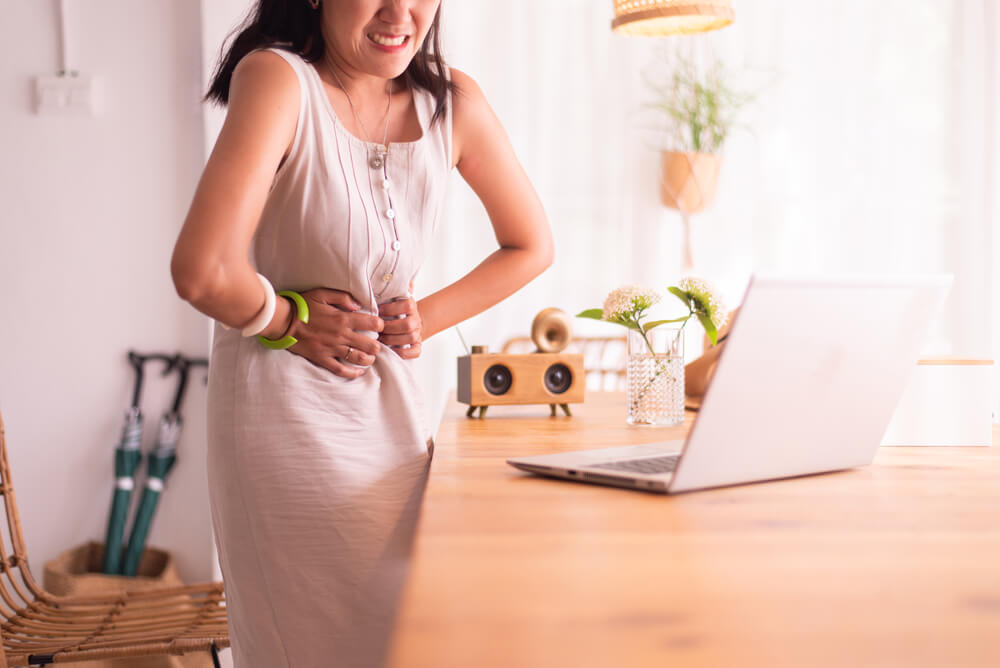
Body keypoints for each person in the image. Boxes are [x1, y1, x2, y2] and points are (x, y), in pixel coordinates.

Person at [170, 0, 552, 665]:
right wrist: (288, 319)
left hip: (397, 426)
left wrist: (425, 317)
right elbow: (202, 271)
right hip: (284, 426)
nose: (399, 14)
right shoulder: (279, 81)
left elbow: (531, 244)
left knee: (409, 639)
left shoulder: (453, 104)